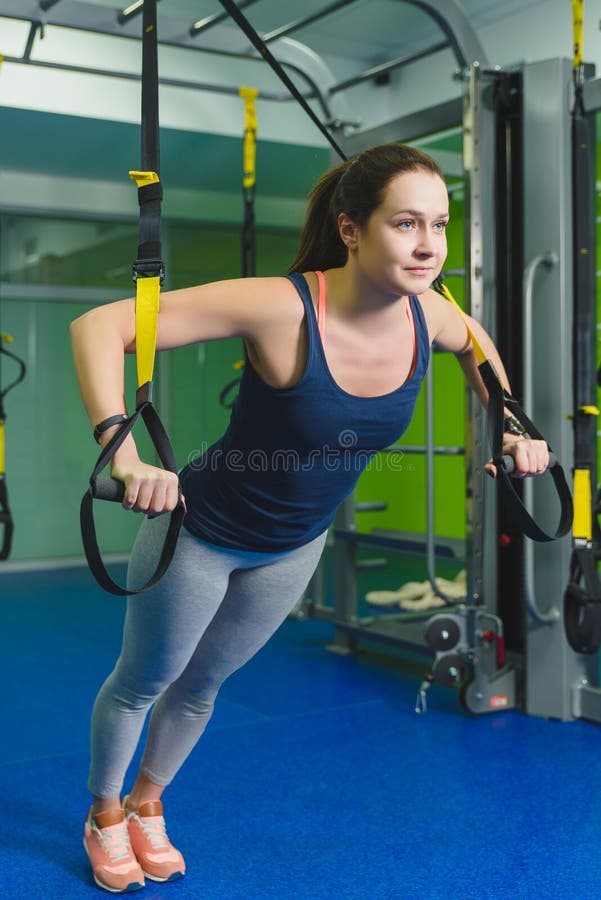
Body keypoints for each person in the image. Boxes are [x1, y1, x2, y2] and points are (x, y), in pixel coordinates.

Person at [70, 142, 549, 893]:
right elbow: (100, 325)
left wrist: (511, 426)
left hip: (294, 544)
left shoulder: (433, 314)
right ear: (351, 229)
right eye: (404, 224)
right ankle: (103, 816)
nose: (427, 245)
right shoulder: (282, 304)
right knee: (145, 679)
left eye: (439, 224)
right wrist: (122, 452)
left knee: (204, 685)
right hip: (200, 532)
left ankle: (147, 804)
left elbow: (478, 350)